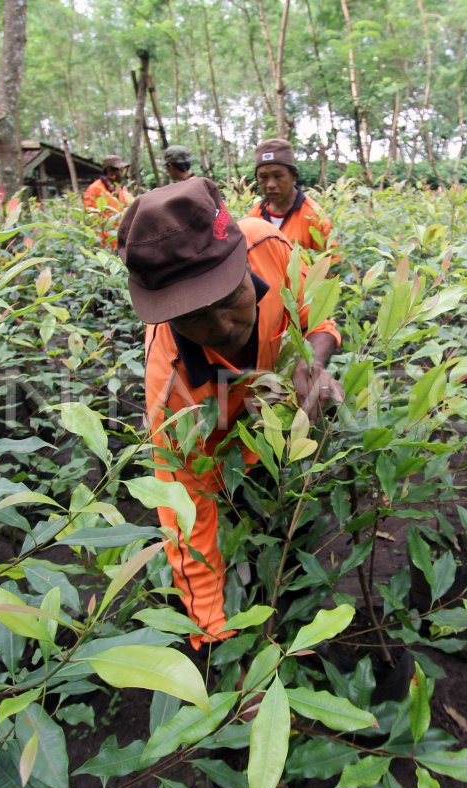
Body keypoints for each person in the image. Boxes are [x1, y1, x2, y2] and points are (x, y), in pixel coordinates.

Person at [117, 178, 343, 647]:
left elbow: (317, 317)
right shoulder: (171, 386)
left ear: (243, 261)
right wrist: (215, 633)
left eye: (230, 299)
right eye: (195, 317)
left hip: (279, 431)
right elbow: (187, 513)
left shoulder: (269, 243)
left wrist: (312, 359)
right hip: (223, 455)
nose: (224, 327)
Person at [246, 138, 335, 254]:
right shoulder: (254, 217)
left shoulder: (314, 216)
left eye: (278, 176)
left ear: (294, 176)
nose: (271, 184)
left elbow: (332, 263)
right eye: (263, 177)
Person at [83, 154, 134, 249]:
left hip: (122, 241)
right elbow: (90, 220)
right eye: (120, 170)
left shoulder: (120, 189)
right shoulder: (94, 189)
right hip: (105, 245)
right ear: (110, 172)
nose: (123, 173)